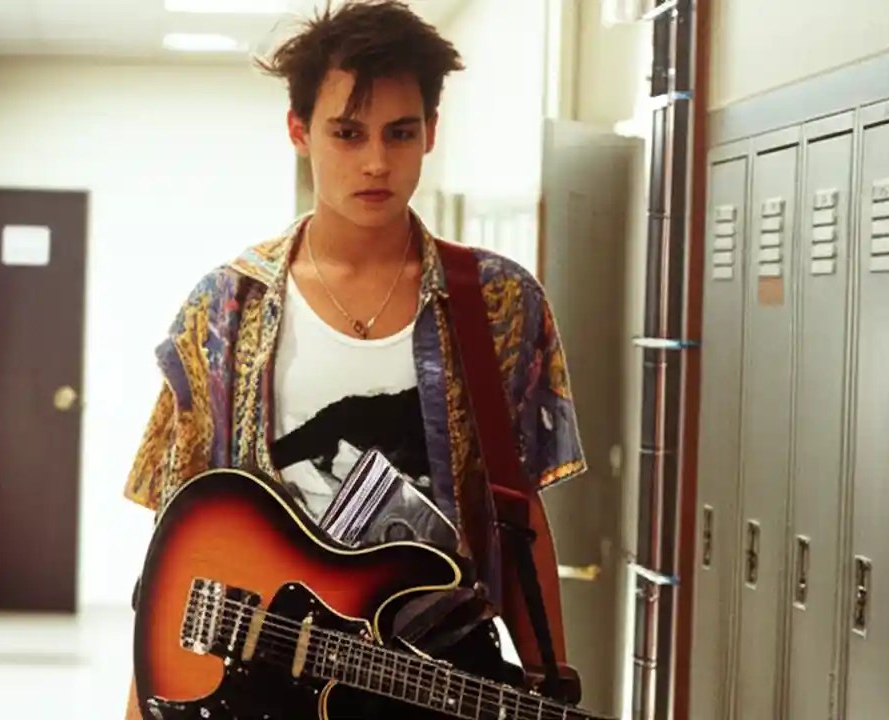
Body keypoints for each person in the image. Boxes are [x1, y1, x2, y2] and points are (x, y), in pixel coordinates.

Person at [123, 1, 586, 716]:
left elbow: (522, 519)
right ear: (299, 131)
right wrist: (140, 703)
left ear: (431, 133)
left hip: (434, 681)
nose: (375, 162)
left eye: (400, 132)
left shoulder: (498, 302)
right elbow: (176, 530)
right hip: (261, 690)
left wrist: (546, 679)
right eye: (347, 133)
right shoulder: (226, 308)